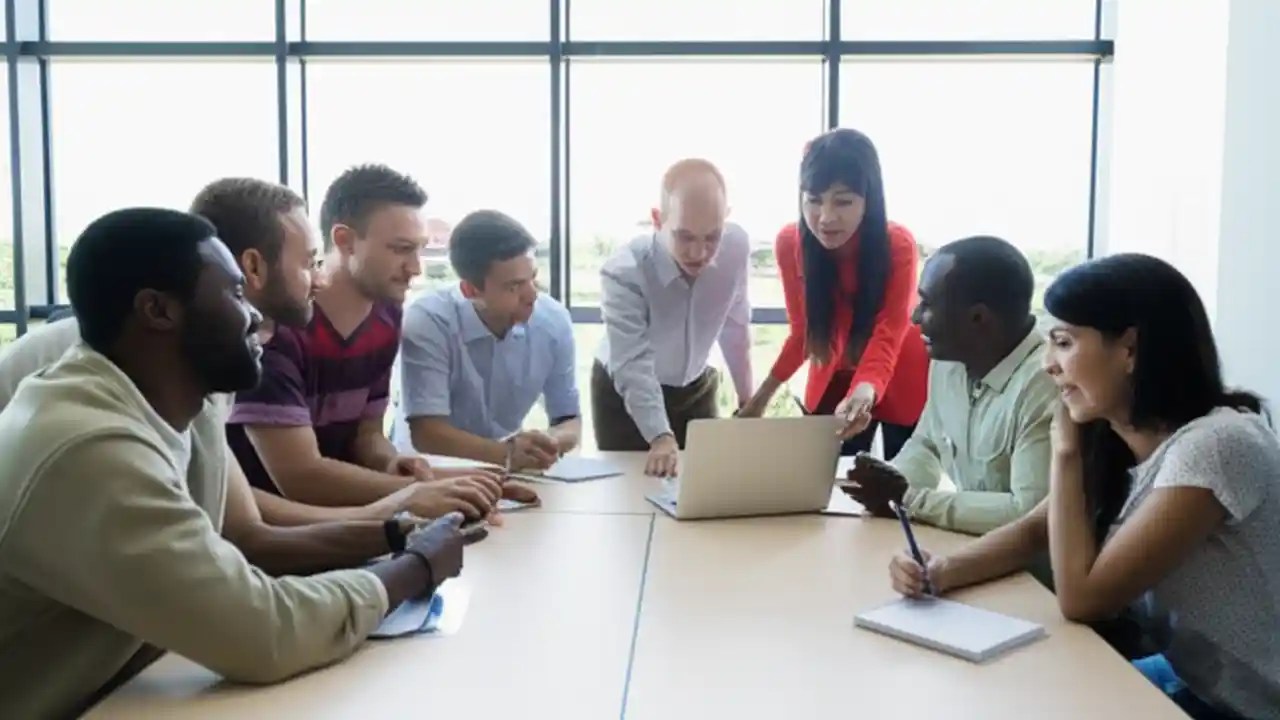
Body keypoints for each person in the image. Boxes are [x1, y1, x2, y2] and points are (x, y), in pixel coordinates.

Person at [0, 208, 484, 719]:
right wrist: (414, 568)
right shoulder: (88, 449)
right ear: (158, 311)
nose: (252, 314)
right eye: (233, 294)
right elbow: (264, 631)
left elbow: (229, 547)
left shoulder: (179, 400)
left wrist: (396, 533)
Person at [0, 179, 500, 577]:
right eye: (309, 262)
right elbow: (251, 529)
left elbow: (239, 520)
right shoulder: (164, 356)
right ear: (252, 268)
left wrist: (406, 511)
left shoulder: (216, 350)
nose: (321, 279)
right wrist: (400, 518)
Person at [888, 254, 1280, 720]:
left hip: (1250, 704)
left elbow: (1083, 599)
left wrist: (1066, 452)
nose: (1047, 366)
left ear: (1129, 349)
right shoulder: (1120, 437)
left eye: (1063, 343)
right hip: (1193, 677)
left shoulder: (1215, 445)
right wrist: (941, 570)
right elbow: (1038, 528)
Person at [226, 164, 528, 512]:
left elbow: (366, 435)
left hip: (352, 519)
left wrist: (392, 464)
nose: (415, 267)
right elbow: (302, 477)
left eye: (419, 249)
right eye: (400, 249)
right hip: (280, 529)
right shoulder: (279, 327)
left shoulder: (387, 316)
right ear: (345, 240)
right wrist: (414, 492)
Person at [843, 236, 1056, 534]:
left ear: (978, 318)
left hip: (1034, 577)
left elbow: (1029, 512)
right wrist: (879, 487)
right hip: (967, 551)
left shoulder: (1049, 382)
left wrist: (910, 500)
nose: (916, 318)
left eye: (927, 304)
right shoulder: (948, 362)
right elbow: (928, 444)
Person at [739, 128, 928, 460]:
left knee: (901, 485)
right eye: (813, 199)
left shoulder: (897, 244)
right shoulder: (790, 243)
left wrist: (866, 387)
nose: (825, 218)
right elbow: (804, 334)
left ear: (869, 199)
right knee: (819, 477)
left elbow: (890, 331)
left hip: (899, 369)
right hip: (834, 373)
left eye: (843, 201)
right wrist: (759, 401)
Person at [594, 158, 753, 477]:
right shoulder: (624, 270)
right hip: (623, 393)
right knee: (633, 497)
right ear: (657, 219)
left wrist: (748, 402)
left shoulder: (736, 247)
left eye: (712, 237)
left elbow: (735, 327)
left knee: (706, 487)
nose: (699, 253)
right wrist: (660, 436)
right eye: (685, 237)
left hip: (697, 385)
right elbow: (632, 363)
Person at [395, 209, 580, 470]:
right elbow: (428, 433)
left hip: (510, 471)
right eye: (514, 286)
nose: (532, 295)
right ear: (470, 290)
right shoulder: (429, 320)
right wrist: (505, 454)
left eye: (533, 279)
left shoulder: (553, 320)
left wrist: (548, 443)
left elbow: (569, 419)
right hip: (431, 470)